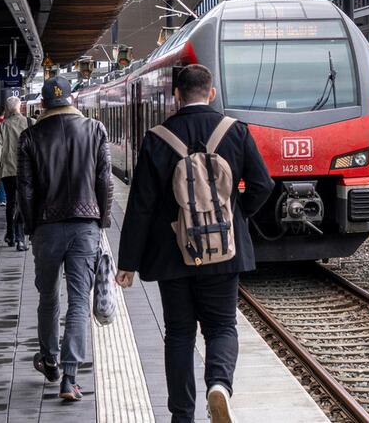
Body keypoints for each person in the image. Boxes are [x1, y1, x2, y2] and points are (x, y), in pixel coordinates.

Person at [116, 64, 274, 423]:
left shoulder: (157, 137)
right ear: (212, 93)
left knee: (179, 335)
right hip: (223, 251)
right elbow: (263, 185)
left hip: (174, 256)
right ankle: (219, 385)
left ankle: (182, 415)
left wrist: (127, 262)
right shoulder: (235, 131)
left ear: (176, 96)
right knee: (221, 327)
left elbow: (141, 205)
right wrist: (235, 217)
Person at [18, 77, 112, 402]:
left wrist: (31, 227)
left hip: (46, 226)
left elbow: (26, 190)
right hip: (85, 225)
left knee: (48, 297)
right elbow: (104, 181)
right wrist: (103, 220)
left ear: (42, 103)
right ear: (71, 99)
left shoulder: (29, 137)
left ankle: (50, 360)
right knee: (78, 303)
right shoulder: (95, 130)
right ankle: (69, 380)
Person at [0, 97, 31, 251]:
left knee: (11, 203)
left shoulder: (2, 127)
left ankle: (10, 235)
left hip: (8, 171)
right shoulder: (30, 123)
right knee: (23, 203)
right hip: (27, 172)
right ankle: (21, 238)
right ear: (20, 107)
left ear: (7, 110)